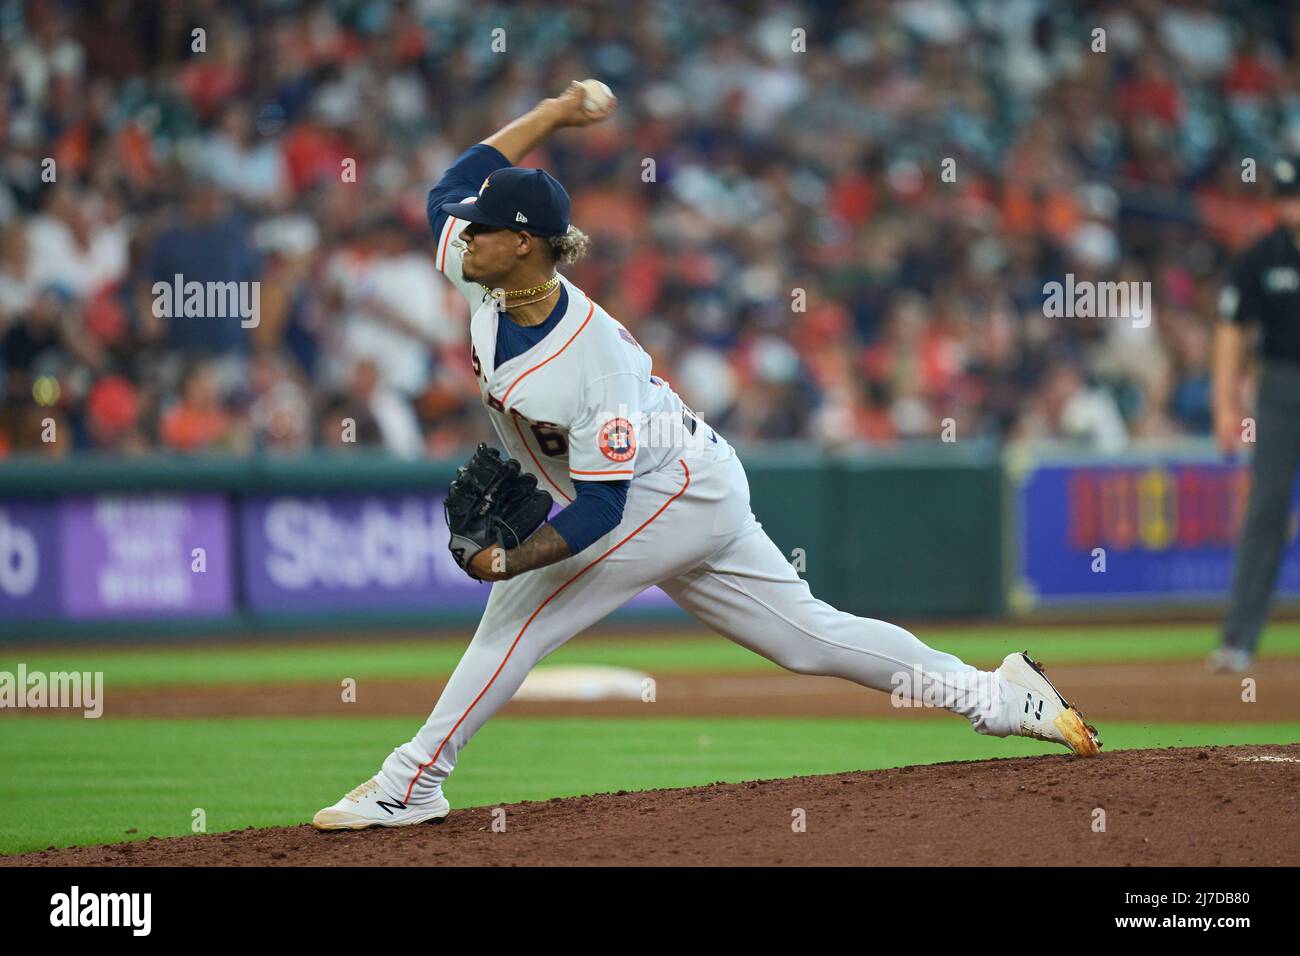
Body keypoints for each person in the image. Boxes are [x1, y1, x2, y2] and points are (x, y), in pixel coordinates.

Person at [312, 82, 1100, 831]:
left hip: (668, 490)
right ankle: (998, 697)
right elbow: (450, 185)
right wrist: (553, 112)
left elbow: (600, 509)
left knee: (518, 617)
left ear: (522, 245)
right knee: (808, 639)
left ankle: (410, 783)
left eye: (482, 227)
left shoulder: (592, 363)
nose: (462, 233)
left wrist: (511, 563)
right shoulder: (485, 266)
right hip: (696, 478)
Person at [1208, 155, 1300, 673]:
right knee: (1266, 510)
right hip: (1281, 385)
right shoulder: (1260, 259)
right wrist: (1226, 405)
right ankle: (1239, 638)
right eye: (1284, 197)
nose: (1291, 206)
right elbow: (1231, 331)